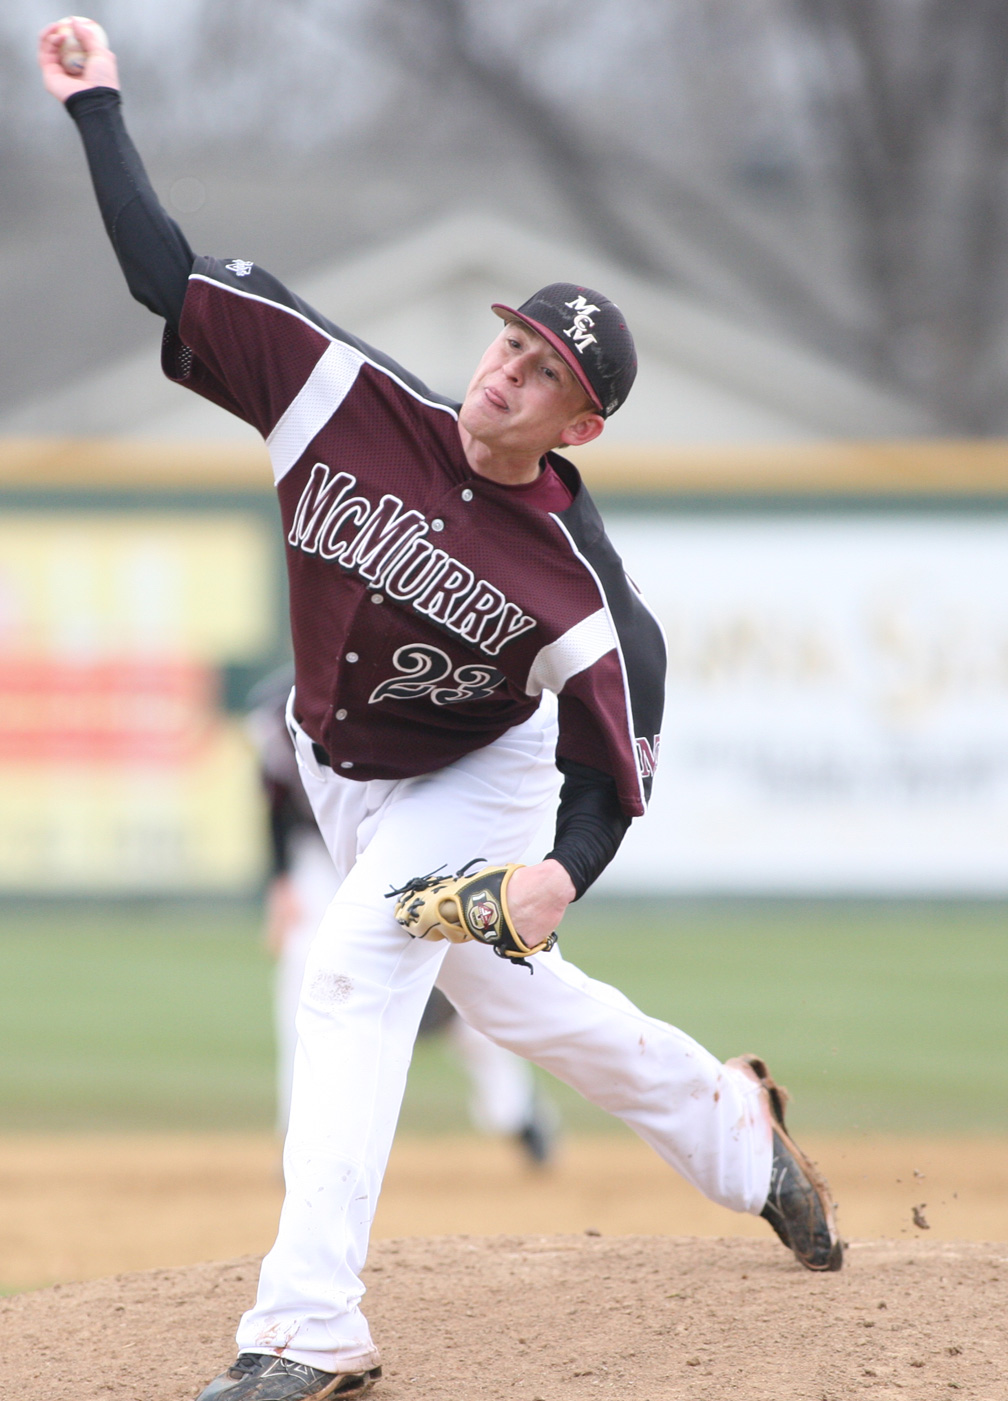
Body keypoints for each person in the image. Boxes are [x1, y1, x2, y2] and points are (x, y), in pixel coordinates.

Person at [39, 20, 842, 1401]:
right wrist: (99, 106)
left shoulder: (580, 595)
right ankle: (739, 1137)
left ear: (578, 429)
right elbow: (162, 277)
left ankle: (308, 1330)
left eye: (546, 376)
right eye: (512, 345)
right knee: (525, 1016)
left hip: (472, 783)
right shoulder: (338, 395)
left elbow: (611, 776)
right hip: (333, 759)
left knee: (352, 976)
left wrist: (553, 874)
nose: (508, 375)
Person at [247, 668, 558, 1161]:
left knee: (467, 982)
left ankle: (516, 1112)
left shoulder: (380, 699)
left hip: (396, 844)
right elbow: (276, 801)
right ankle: (301, 1138)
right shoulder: (277, 715)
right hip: (318, 856)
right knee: (303, 978)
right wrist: (281, 881)